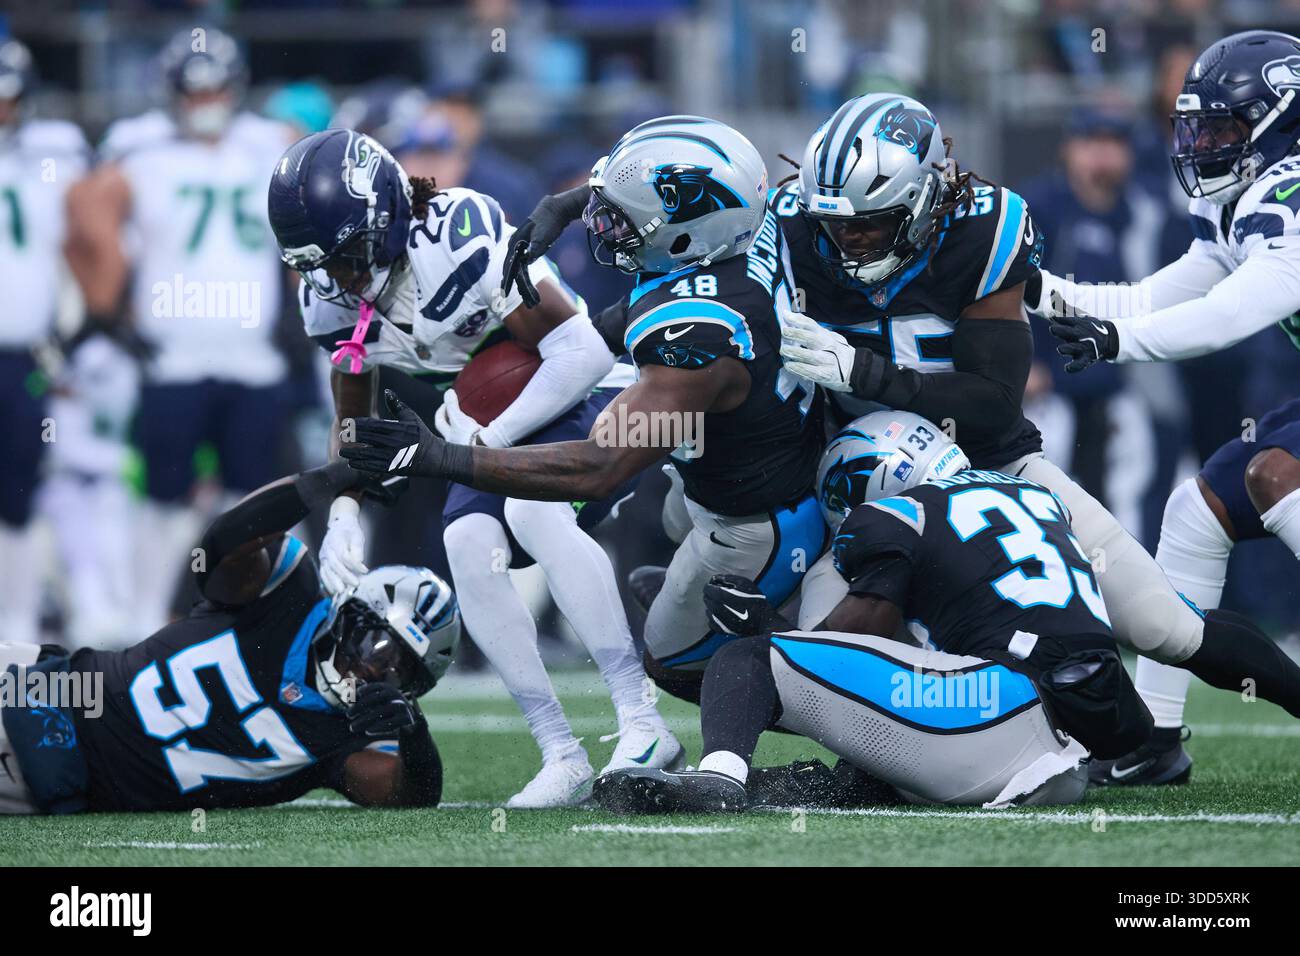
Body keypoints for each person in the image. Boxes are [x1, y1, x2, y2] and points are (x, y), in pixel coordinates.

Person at [763, 91, 1300, 747]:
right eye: (834, 222)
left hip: (992, 471)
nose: (848, 238)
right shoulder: (789, 233)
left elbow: (991, 404)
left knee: (1165, 626)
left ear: (925, 199)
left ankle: (1163, 737)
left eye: (871, 221)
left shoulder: (982, 230)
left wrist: (864, 373)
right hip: (857, 488)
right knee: (830, 658)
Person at [341, 116, 827, 699]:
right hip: (740, 463)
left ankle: (779, 643)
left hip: (760, 519)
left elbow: (598, 468)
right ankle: (703, 586)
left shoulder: (699, 332)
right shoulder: (758, 221)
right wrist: (566, 204)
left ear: (689, 228)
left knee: (671, 661)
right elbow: (594, 339)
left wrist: (445, 457)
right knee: (672, 515)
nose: (603, 224)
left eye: (622, 214)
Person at [268, 129, 678, 808]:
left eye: (345, 257)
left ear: (386, 217)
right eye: (321, 264)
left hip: (574, 391)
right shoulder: (330, 297)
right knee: (465, 542)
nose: (337, 279)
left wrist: (486, 439)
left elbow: (581, 353)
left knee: (533, 511)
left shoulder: (458, 234)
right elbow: (354, 418)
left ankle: (642, 721)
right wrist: (343, 514)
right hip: (483, 419)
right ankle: (560, 752)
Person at [593, 412, 1146, 813]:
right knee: (872, 743)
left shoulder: (892, 517)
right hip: (1068, 748)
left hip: (986, 721)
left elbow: (850, 644)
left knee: (751, 660)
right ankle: (801, 787)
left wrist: (763, 625)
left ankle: (719, 780)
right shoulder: (1031, 497)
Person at [1040, 30, 1300, 784]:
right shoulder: (1241, 201)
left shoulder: (1286, 199)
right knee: (1197, 509)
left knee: (1275, 476)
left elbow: (1227, 316)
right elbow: (1148, 297)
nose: (1202, 143)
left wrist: (1117, 340)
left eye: (1221, 127)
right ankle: (1155, 738)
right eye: (1196, 126)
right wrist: (1024, 289)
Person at [0, 462, 455, 815]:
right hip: (49, 686)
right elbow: (222, 541)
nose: (372, 669)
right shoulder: (287, 592)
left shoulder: (345, 740)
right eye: (373, 644)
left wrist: (414, 733)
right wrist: (332, 481)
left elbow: (407, 798)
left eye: (398, 668)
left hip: (51, 776)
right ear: (350, 615)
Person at [64, 27, 295, 634]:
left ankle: (240, 617)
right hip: (172, 354)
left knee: (253, 498)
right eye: (193, 93)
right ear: (171, 95)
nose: (205, 102)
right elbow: (82, 216)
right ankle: (145, 617)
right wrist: (107, 309)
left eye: (214, 89)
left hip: (253, 354)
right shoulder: (140, 149)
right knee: (163, 498)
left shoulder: (271, 142)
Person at [0, 38, 88, 645]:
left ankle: (16, 621)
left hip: (21, 352)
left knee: (20, 493)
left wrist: (67, 328)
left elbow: (80, 247)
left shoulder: (53, 154)